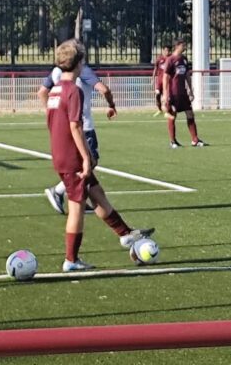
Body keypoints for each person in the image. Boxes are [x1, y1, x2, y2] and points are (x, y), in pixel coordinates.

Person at [44, 43, 153, 272]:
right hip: (72, 156)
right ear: (80, 62)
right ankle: (71, 260)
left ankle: (125, 234)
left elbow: (53, 122)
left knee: (97, 193)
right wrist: (85, 158)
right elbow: (75, 126)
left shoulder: (55, 89)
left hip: (60, 152)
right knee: (76, 207)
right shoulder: (73, 90)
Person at [41, 47, 119, 215]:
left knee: (85, 166)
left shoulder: (57, 71)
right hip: (82, 125)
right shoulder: (81, 71)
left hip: (64, 127)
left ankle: (80, 201)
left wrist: (54, 116)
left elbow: (42, 92)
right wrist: (111, 105)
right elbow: (103, 89)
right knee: (89, 162)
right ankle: (60, 192)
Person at [162, 40, 204, 147]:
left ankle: (195, 139)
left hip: (183, 93)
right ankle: (172, 141)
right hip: (173, 93)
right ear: (177, 46)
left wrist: (190, 89)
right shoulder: (170, 60)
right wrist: (166, 94)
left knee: (190, 113)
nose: (185, 47)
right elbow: (165, 77)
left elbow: (187, 75)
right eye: (183, 45)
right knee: (172, 115)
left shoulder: (184, 59)